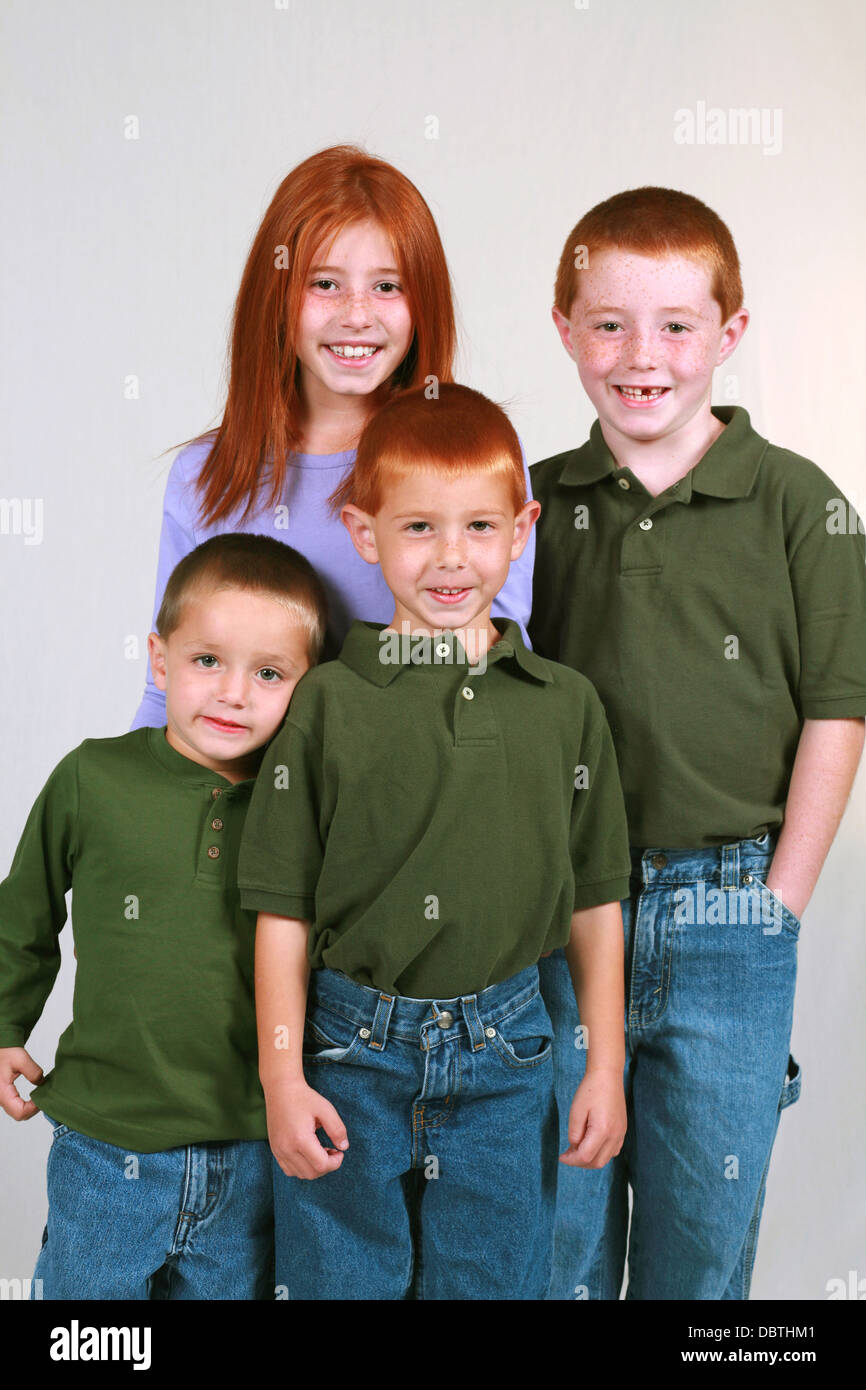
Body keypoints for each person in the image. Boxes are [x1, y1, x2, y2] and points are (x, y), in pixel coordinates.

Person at [530, 185, 866, 1300]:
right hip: (561, 911)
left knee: (701, 1243)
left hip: (728, 908)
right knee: (555, 1235)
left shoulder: (797, 503)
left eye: (676, 325)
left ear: (728, 334)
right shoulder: (531, 508)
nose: (642, 356)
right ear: (564, 327)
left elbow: (837, 708)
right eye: (609, 323)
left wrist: (775, 903)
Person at [237, 383, 632, 1300]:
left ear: (522, 527)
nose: (452, 559)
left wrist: (602, 1066)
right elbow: (283, 911)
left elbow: (596, 904)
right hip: (348, 1052)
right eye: (418, 528)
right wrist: (282, 1077)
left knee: (494, 1286)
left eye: (480, 528)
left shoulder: (565, 706)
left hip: (510, 1055)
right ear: (363, 532)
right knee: (338, 1285)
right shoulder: (328, 703)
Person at [0, 533, 328, 1299]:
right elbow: (23, 911)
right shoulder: (95, 776)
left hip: (253, 1147)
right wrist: (5, 1023)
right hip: (106, 1142)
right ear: (160, 659)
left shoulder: (303, 810)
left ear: (305, 690)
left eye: (269, 673)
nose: (232, 693)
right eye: (206, 660)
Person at [131, 145, 534, 731]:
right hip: (247, 814)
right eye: (324, 283)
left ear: (424, 302)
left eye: (388, 287)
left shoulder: (467, 461)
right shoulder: (202, 476)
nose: (357, 315)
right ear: (277, 296)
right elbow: (167, 693)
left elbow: (494, 663)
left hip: (404, 799)